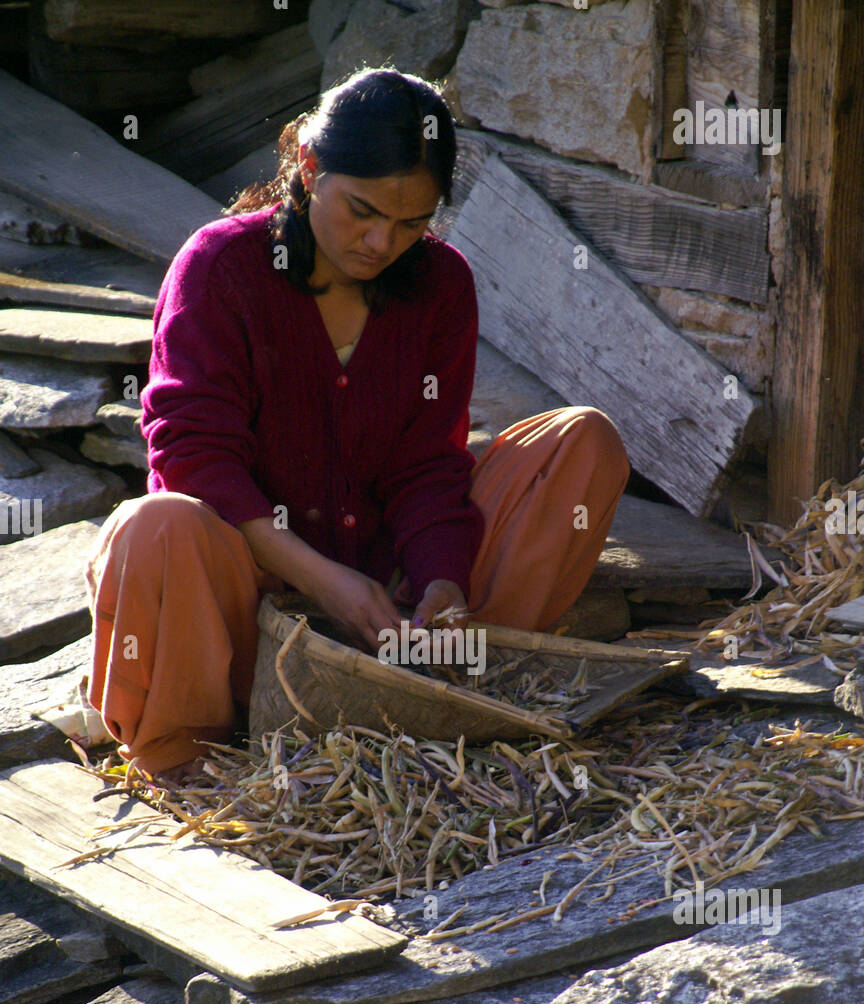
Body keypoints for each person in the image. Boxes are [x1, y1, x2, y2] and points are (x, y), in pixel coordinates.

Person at [84, 67, 630, 784]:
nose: (381, 243)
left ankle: (439, 688)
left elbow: (429, 463)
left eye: (412, 223)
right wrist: (323, 580)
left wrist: (442, 584)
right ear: (310, 170)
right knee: (154, 526)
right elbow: (191, 457)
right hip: (240, 607)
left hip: (386, 609)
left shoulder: (440, 285)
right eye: (362, 211)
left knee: (582, 446)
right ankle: (193, 750)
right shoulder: (221, 268)